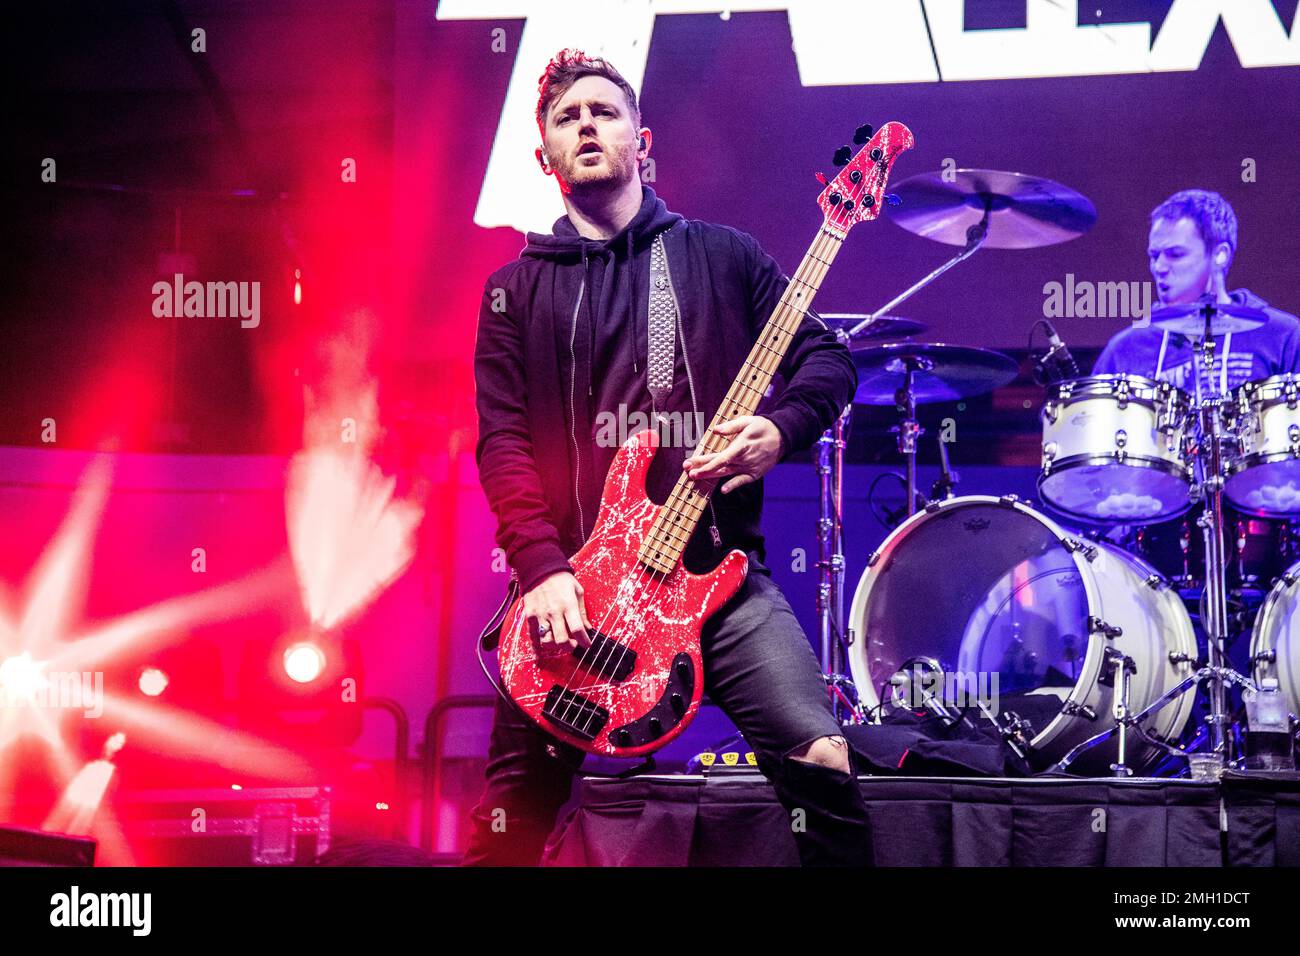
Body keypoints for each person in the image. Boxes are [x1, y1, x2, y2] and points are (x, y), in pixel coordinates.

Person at [464, 49, 871, 866]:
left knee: (822, 760)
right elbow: (502, 441)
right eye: (566, 116)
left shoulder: (724, 256)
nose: (586, 124)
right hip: (575, 596)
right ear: (542, 154)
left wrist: (780, 431)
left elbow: (827, 361)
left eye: (604, 112)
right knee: (510, 815)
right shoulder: (514, 290)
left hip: (716, 582)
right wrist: (543, 568)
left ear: (641, 142)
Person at [1093, 189, 1300, 394]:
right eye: (1154, 256)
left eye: (1175, 254)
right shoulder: (1126, 349)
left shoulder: (1282, 336)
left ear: (1220, 255)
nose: (1159, 267)